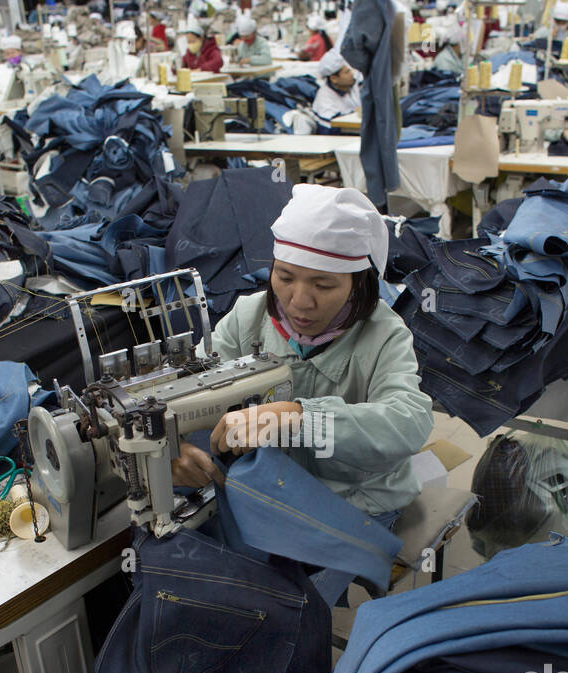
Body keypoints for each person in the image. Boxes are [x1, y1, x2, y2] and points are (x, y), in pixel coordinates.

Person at [172, 184, 433, 521]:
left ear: (357, 283)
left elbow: (409, 423)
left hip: (358, 502)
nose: (298, 301)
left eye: (323, 285)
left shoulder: (384, 334)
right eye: (285, 276)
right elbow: (184, 388)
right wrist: (172, 449)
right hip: (273, 492)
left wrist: (298, 418)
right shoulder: (247, 318)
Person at [312, 50, 362, 120]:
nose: (352, 73)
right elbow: (331, 126)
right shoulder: (325, 99)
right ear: (334, 79)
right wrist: (355, 113)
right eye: (347, 72)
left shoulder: (353, 84)